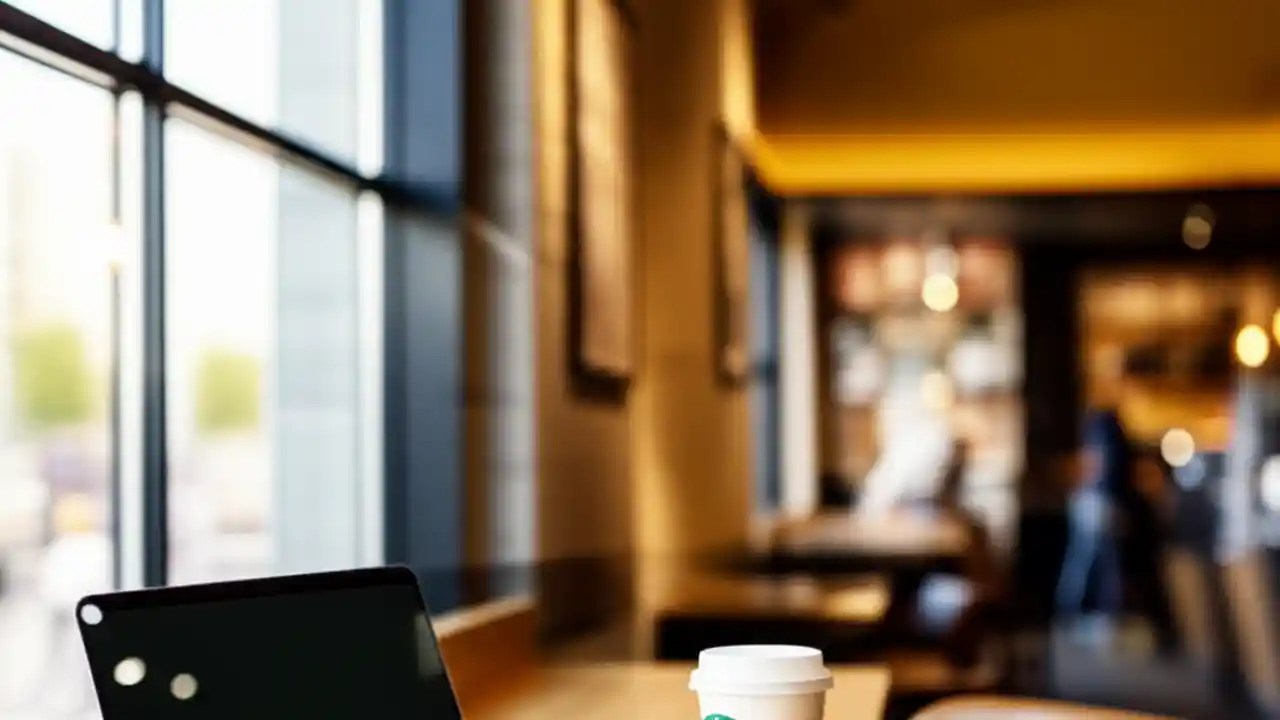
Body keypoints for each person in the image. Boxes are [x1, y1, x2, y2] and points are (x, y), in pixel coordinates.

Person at [1056, 409, 1127, 632]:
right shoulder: (1104, 427)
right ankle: (1085, 613)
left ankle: (1073, 613)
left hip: (1090, 500)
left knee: (1084, 560)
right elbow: (1102, 466)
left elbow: (1094, 464)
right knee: (1095, 561)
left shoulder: (1096, 427)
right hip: (1097, 501)